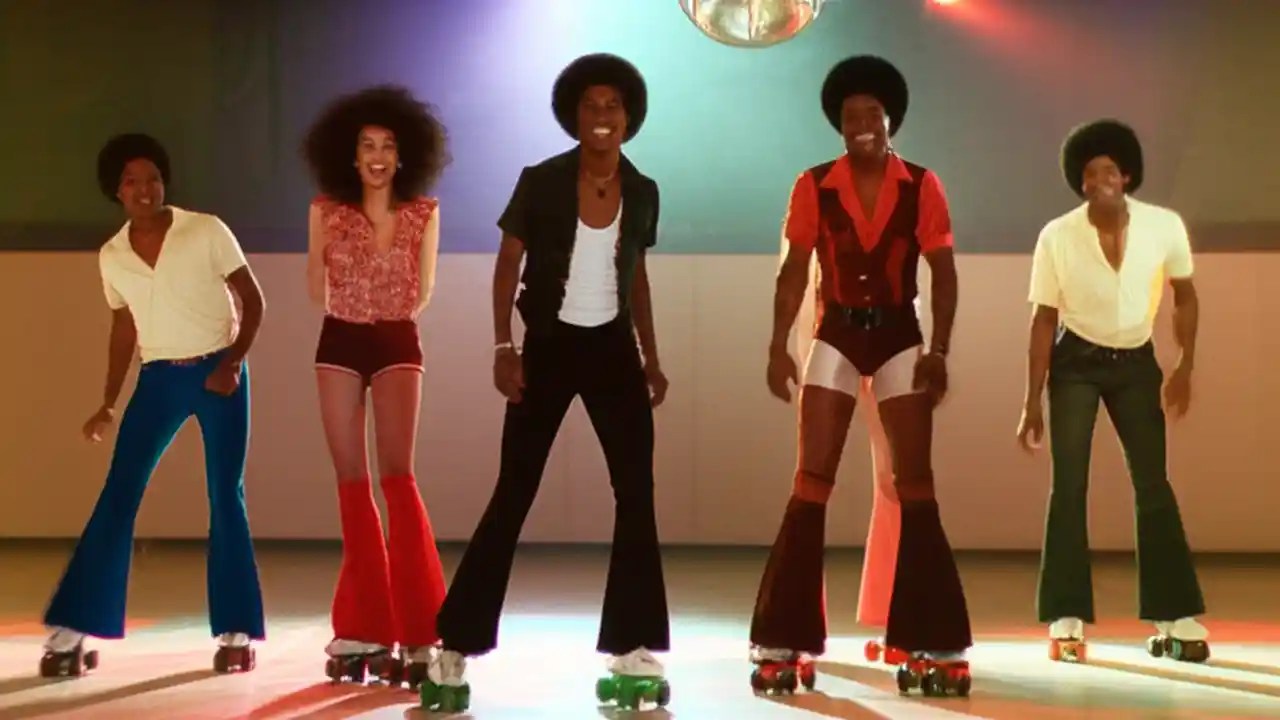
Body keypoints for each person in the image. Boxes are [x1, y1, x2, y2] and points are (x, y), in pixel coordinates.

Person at [422, 53, 671, 713]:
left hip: (615, 351)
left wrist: (651, 356)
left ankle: (632, 643)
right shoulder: (541, 181)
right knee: (514, 492)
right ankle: (455, 644)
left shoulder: (643, 190)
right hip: (550, 348)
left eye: (613, 106)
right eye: (590, 106)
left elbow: (637, 274)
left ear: (628, 117)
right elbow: (508, 262)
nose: (601, 117)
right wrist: (504, 345)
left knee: (637, 494)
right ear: (573, 115)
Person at [749, 55, 973, 696]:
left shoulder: (922, 184)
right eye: (851, 117)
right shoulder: (814, 184)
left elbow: (945, 273)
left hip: (901, 333)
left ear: (890, 118)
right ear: (838, 124)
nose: (862, 125)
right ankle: (782, 636)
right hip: (837, 334)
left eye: (872, 114)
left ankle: (932, 636)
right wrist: (775, 345)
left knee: (916, 482)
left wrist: (940, 349)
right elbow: (794, 270)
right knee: (811, 479)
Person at [40, 133, 266, 676]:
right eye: (131, 181)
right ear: (115, 192)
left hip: (218, 373)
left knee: (225, 495)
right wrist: (107, 402)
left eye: (152, 178)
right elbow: (122, 327)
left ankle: (235, 627)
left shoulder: (205, 229)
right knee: (120, 492)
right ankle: (75, 625)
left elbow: (253, 299)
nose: (145, 189)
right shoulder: (113, 254)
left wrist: (232, 362)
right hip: (159, 377)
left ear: (165, 181)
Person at [1017, 118, 1209, 663]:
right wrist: (1032, 399)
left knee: (1153, 483)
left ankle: (1174, 611)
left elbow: (1186, 296)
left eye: (1109, 170)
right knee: (1069, 483)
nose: (1099, 180)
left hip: (1135, 362)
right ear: (1080, 184)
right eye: (1088, 173)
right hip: (1075, 361)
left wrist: (1186, 364)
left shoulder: (1164, 226)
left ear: (1127, 175)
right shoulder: (1057, 234)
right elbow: (1042, 317)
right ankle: (1066, 612)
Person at [302, 85, 449, 685]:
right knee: (351, 483)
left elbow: (424, 291)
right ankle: (362, 626)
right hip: (338, 341)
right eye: (367, 145)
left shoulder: (425, 213)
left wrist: (379, 304)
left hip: (395, 342)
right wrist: (352, 300)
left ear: (404, 152)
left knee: (398, 475)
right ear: (350, 154)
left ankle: (420, 628)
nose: (377, 155)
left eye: (387, 145)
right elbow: (316, 287)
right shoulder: (324, 210)